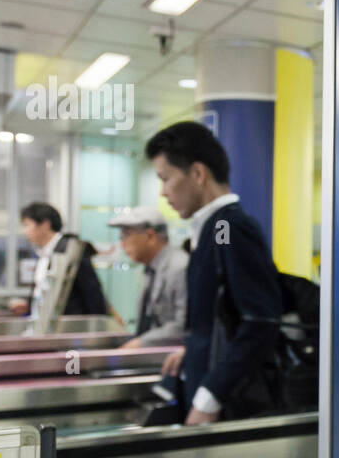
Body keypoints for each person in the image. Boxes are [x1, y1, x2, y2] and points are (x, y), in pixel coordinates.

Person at [145, 122, 282, 425]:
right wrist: (192, 350)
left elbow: (261, 321)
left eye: (166, 179)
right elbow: (219, 315)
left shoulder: (231, 227)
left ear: (197, 173)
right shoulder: (210, 228)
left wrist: (210, 396)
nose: (163, 193)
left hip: (227, 407)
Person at [109, 206, 188, 349]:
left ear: (150, 236)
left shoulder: (179, 267)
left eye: (126, 235)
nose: (122, 244)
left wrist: (139, 344)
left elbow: (184, 325)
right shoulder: (150, 269)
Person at [11, 202, 108, 317]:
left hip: (69, 327)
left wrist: (95, 327)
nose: (25, 231)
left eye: (27, 225)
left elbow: (92, 292)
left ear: (45, 224)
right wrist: (28, 304)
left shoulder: (69, 250)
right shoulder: (44, 254)